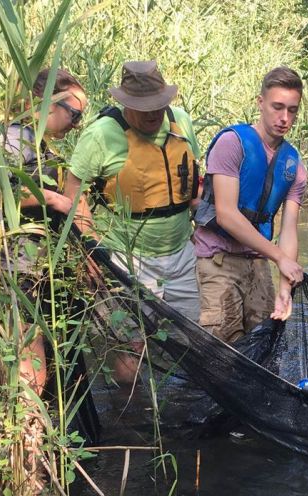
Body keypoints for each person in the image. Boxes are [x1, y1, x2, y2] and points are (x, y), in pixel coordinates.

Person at [0, 67, 99, 441]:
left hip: (21, 269)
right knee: (29, 367)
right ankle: (28, 458)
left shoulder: (35, 146)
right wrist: (53, 198)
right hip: (4, 268)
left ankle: (31, 455)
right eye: (73, 113)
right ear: (43, 103)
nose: (76, 123)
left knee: (32, 363)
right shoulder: (14, 139)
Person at [63, 60, 201, 383]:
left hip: (181, 255)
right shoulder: (100, 135)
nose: (154, 114)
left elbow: (194, 182)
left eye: (159, 105)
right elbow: (73, 195)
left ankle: (184, 415)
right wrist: (92, 252)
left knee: (191, 345)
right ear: (125, 103)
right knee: (131, 347)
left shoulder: (181, 123)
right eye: (144, 108)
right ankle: (134, 419)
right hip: (126, 260)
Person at [192, 67, 307, 342]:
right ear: (260, 103)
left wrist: (284, 285)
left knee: (262, 341)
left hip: (258, 263)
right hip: (218, 259)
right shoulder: (233, 144)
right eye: (277, 107)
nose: (284, 118)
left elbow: (289, 229)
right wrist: (278, 257)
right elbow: (227, 215)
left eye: (292, 110)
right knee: (223, 346)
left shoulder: (293, 164)